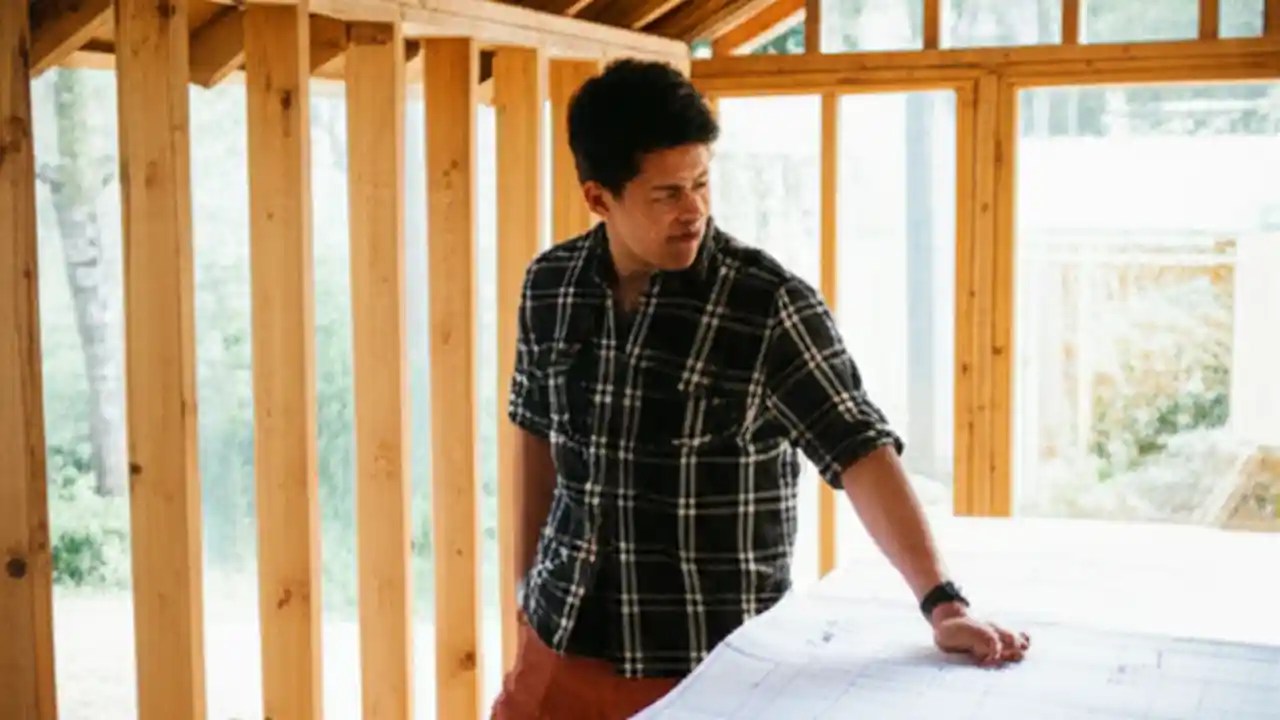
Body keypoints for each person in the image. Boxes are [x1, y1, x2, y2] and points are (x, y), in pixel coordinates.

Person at [490, 59, 1030, 720]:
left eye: (701, 182)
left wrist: (942, 603)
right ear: (599, 197)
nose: (693, 210)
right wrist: (523, 583)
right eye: (667, 194)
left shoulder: (767, 305)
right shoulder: (549, 286)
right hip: (558, 642)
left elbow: (859, 450)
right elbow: (534, 434)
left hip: (710, 666)